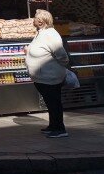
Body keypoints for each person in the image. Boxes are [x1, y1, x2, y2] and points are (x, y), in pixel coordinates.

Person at [25, 9, 70, 138]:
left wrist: (63, 63)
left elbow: (61, 54)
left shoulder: (51, 34)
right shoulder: (41, 33)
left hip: (51, 76)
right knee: (50, 102)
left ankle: (60, 128)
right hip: (42, 77)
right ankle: (53, 125)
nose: (33, 19)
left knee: (54, 102)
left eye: (35, 17)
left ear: (41, 21)